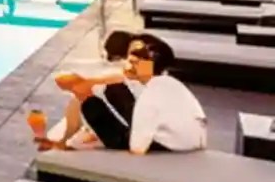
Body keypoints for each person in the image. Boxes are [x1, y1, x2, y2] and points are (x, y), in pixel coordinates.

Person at [38, 33, 208, 154]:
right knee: (113, 91)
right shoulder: (168, 83)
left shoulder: (149, 97)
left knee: (91, 104)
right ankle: (80, 132)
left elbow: (137, 147)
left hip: (169, 143)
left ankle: (75, 137)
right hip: (191, 138)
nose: (127, 64)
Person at [32, 30, 135, 148]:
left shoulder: (128, 70)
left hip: (129, 125)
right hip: (123, 115)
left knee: (83, 96)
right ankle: (74, 136)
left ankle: (67, 139)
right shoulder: (125, 67)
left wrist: (90, 82)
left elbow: (122, 79)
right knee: (82, 97)